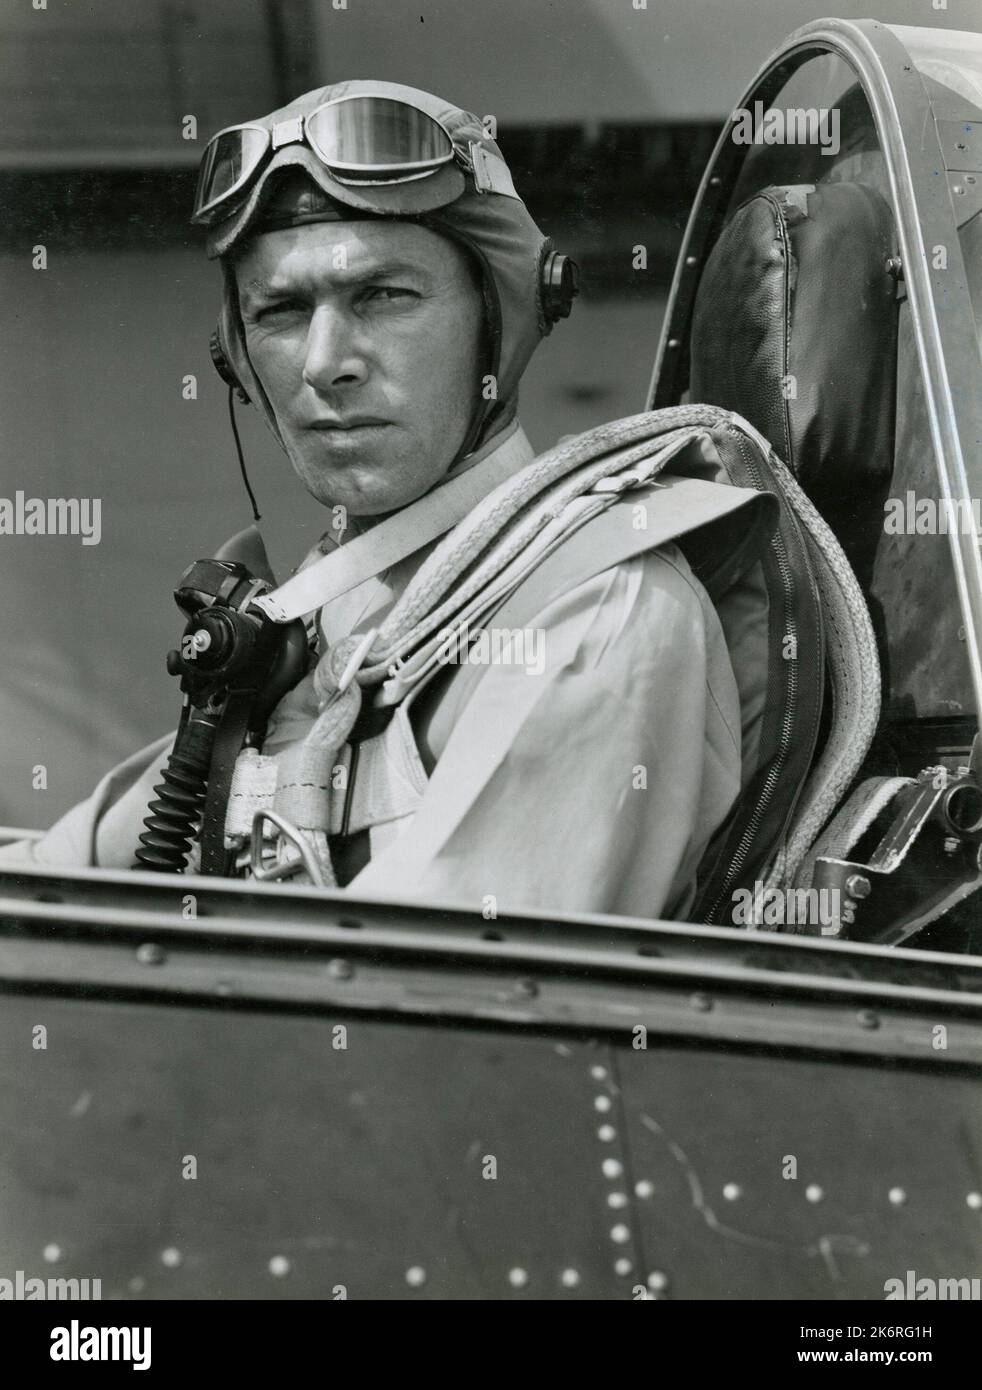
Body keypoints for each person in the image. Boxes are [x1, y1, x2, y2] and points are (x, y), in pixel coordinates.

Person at [0, 80, 768, 920]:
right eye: (282, 311)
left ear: (499, 319)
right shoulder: (324, 620)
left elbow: (432, 1013)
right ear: (237, 357)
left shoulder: (593, 612)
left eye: (384, 297)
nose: (326, 362)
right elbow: (57, 875)